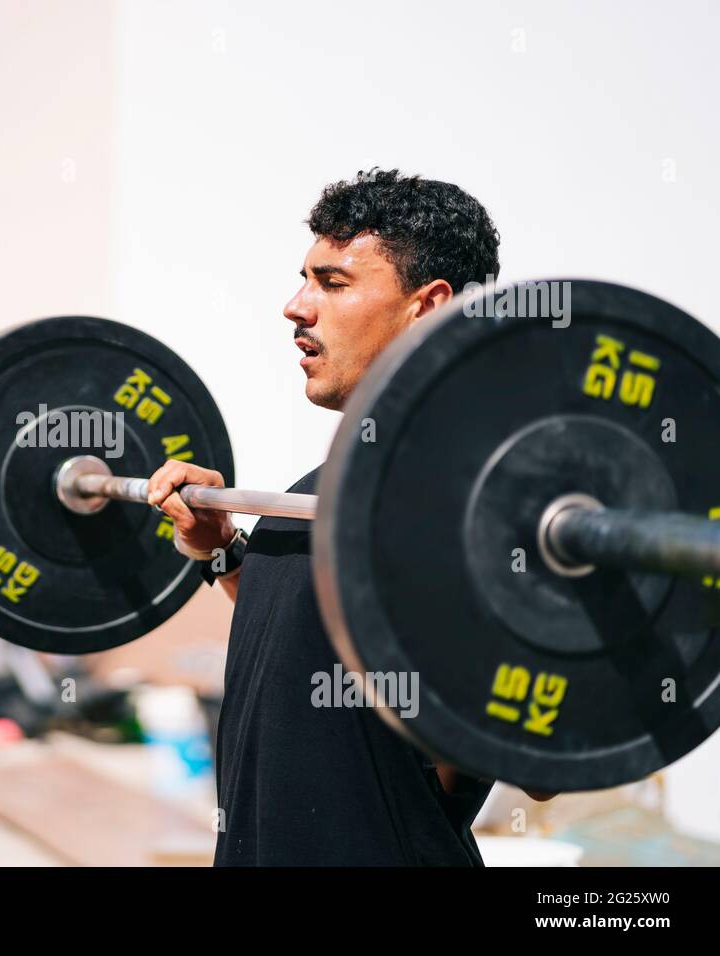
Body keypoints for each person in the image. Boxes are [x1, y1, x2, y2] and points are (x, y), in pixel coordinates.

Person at [146, 169, 553, 866]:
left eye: (333, 284)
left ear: (428, 308)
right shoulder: (309, 499)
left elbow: (546, 757)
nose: (295, 307)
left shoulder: (478, 505)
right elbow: (317, 634)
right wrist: (223, 553)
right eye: (305, 279)